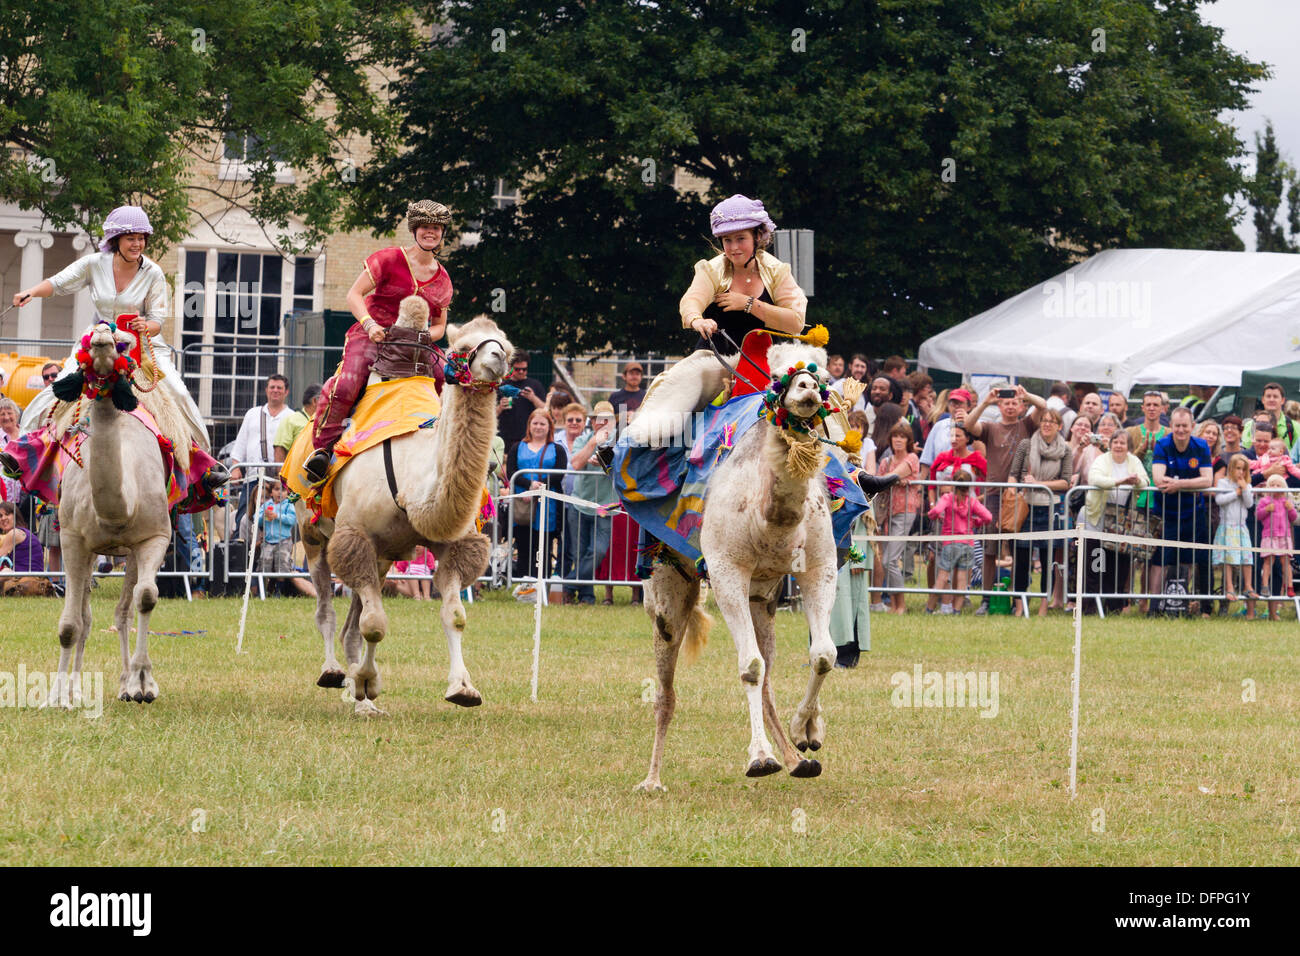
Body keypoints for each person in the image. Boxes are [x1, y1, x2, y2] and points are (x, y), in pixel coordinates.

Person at [0, 205, 226, 496]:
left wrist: (147, 326)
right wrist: (30, 292)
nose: (138, 244)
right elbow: (57, 283)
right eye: (131, 237)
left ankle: (205, 467)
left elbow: (158, 320)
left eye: (142, 238)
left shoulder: (154, 272)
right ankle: (23, 450)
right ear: (115, 240)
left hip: (143, 347)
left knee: (179, 394)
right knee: (54, 391)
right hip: (99, 342)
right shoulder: (95, 263)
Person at [305, 200, 453, 482]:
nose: (429, 232)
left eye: (435, 227)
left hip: (416, 344)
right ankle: (322, 451)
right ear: (414, 230)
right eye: (424, 227)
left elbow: (440, 327)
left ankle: (454, 448)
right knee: (348, 382)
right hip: (373, 334)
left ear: (442, 232)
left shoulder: (443, 279)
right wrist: (370, 324)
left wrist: (422, 337)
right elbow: (353, 295)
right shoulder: (388, 259)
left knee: (449, 381)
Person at [964, 383, 1046, 611]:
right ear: (1000, 405)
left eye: (1014, 403)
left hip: (1020, 495)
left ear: (1020, 406)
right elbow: (968, 424)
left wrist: (1026, 395)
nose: (1010, 406)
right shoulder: (990, 428)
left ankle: (1016, 600)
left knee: (1018, 550)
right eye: (1006, 403)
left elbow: (1043, 406)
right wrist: (985, 402)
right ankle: (987, 599)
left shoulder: (1026, 425)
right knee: (990, 549)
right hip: (993, 494)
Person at [1148, 406, 1213, 616]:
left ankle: (1181, 604)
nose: (1181, 430)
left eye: (1185, 426)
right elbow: (1158, 479)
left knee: (1188, 558)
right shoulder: (1162, 444)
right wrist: (1191, 483)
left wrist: (1178, 484)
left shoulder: (1201, 445)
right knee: (1160, 560)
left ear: (1192, 426)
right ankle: (1154, 607)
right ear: (1171, 426)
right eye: (1177, 426)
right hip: (1165, 512)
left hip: (1193, 511)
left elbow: (1208, 480)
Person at [1007, 408, 1071, 616]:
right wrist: (1011, 487)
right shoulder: (1026, 444)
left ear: (1059, 426)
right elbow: (1013, 474)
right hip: (1026, 507)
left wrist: (1040, 484)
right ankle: (1019, 605)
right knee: (1021, 559)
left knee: (1047, 560)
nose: (1047, 424)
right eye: (1044, 420)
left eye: (1052, 422)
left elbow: (1066, 481)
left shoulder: (1065, 449)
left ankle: (1044, 605)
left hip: (1051, 509)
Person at [1081, 429, 1147, 612]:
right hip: (1098, 518)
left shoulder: (1134, 461)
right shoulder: (1102, 460)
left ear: (1129, 446)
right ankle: (1091, 606)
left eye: (1123, 443)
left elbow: (1145, 481)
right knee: (1095, 563)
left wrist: (1136, 481)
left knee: (1118, 565)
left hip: (1122, 521)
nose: (1119, 446)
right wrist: (1119, 481)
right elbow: (1094, 478)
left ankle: (1114, 607)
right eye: (1115, 442)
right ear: (1110, 445)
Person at [506, 408, 568, 585]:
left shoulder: (557, 449)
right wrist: (528, 486)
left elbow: (559, 473)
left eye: (543, 423)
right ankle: (523, 584)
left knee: (544, 546)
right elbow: (511, 471)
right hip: (522, 503)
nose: (539, 427)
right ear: (529, 426)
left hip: (548, 505)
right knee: (523, 545)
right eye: (535, 423)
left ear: (549, 427)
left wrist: (540, 486)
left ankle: (541, 585)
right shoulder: (517, 447)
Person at [566, 401, 618, 605]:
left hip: (606, 507)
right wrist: (593, 444)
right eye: (599, 420)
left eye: (608, 419)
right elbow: (577, 463)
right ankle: (586, 596)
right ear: (593, 422)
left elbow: (622, 468)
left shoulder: (621, 443)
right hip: (580, 503)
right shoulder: (583, 440)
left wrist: (606, 462)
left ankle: (568, 585)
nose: (603, 423)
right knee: (579, 553)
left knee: (598, 551)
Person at [927, 470, 992, 614]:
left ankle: (929, 608)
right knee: (962, 579)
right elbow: (988, 516)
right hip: (968, 544)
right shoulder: (972, 501)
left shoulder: (947, 498)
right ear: (969, 486)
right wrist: (976, 522)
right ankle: (956, 610)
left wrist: (933, 515)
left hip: (950, 543)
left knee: (942, 577)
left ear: (953, 484)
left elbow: (936, 511)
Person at [875, 422, 920, 615]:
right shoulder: (886, 460)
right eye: (896, 436)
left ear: (908, 441)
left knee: (890, 560)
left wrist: (890, 479)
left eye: (902, 437)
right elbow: (878, 483)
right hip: (886, 512)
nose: (898, 440)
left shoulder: (912, 458)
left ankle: (901, 604)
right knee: (888, 560)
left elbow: (889, 477)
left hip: (905, 510)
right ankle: (894, 604)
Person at [1213, 454, 1256, 607]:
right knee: (1229, 559)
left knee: (1247, 557)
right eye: (1238, 469)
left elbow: (1249, 504)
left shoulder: (1247, 485)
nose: (1241, 473)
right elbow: (1219, 500)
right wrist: (1235, 493)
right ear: (1231, 468)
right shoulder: (1223, 483)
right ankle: (1229, 587)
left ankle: (1248, 586)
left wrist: (1244, 490)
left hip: (1242, 527)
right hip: (1227, 525)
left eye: (1244, 470)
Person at [1256, 475, 1296, 614]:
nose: (1276, 487)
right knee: (1268, 561)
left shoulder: (1286, 501)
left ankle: (1290, 586)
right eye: (1273, 484)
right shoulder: (1264, 501)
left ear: (1284, 487)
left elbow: (1294, 517)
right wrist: (1266, 509)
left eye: (1279, 485)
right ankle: (1265, 585)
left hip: (1284, 537)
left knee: (1286, 562)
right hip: (1270, 536)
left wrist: (1290, 508)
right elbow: (1258, 516)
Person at [497, 351, 546, 450]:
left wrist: (533, 398)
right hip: (505, 437)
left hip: (528, 437)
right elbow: (491, 415)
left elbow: (545, 410)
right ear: (510, 368)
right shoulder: (501, 386)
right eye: (517, 369)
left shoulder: (535, 385)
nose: (521, 372)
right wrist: (500, 407)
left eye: (524, 369)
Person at [273, 384, 322, 464]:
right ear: (315, 401)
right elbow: (280, 450)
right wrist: (281, 475)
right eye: (326, 399)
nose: (329, 404)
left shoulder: (324, 422)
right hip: (294, 473)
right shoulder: (291, 420)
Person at [1243, 382, 1298, 451]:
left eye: (1275, 396)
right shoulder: (1250, 425)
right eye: (1268, 396)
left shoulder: (1293, 426)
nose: (1271, 399)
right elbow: (1246, 451)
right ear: (1263, 400)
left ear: (1283, 400)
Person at [0, 500, 43, 575]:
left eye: (7, 514)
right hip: (32, 579)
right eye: (0, 516)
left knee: (5, 572)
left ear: (15, 516)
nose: (3, 518)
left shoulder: (14, 533)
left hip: (27, 580)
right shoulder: (22, 531)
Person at [0, 397, 22, 504]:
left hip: (25, 495)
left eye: (9, 413)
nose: (6, 417)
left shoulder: (27, 435)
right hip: (2, 497)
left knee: (24, 521)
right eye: (2, 414)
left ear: (17, 416)